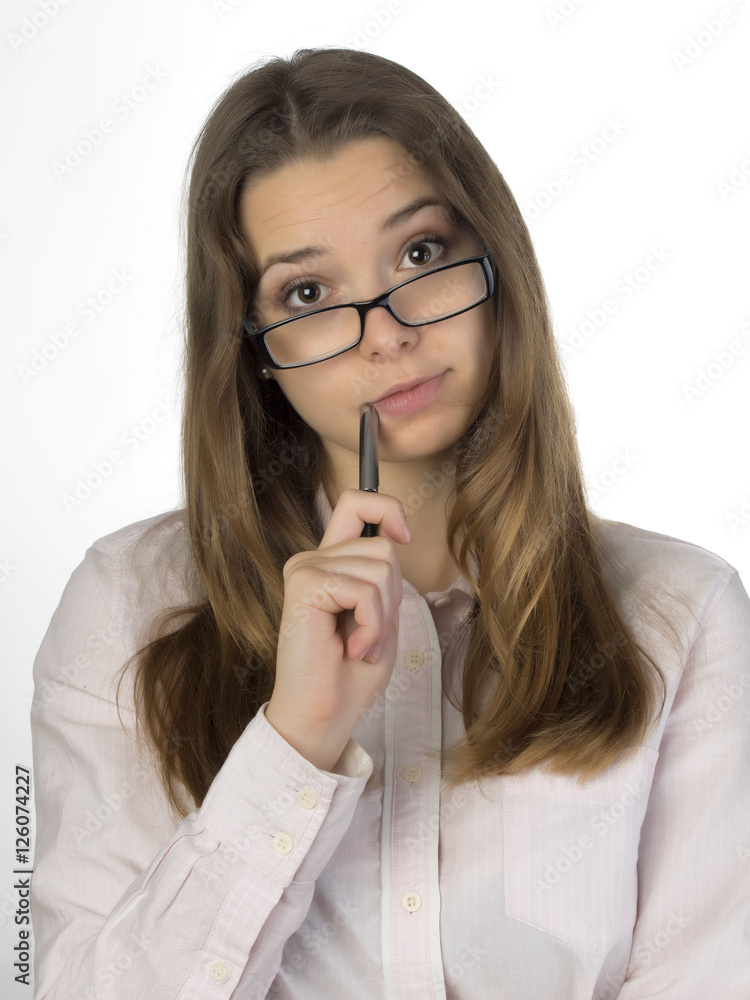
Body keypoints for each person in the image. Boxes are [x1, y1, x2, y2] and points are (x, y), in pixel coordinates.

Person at [30, 47, 749, 1000]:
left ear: (496, 261)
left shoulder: (683, 612)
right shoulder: (128, 606)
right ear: (254, 355)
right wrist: (294, 740)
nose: (385, 333)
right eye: (308, 294)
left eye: (419, 254)